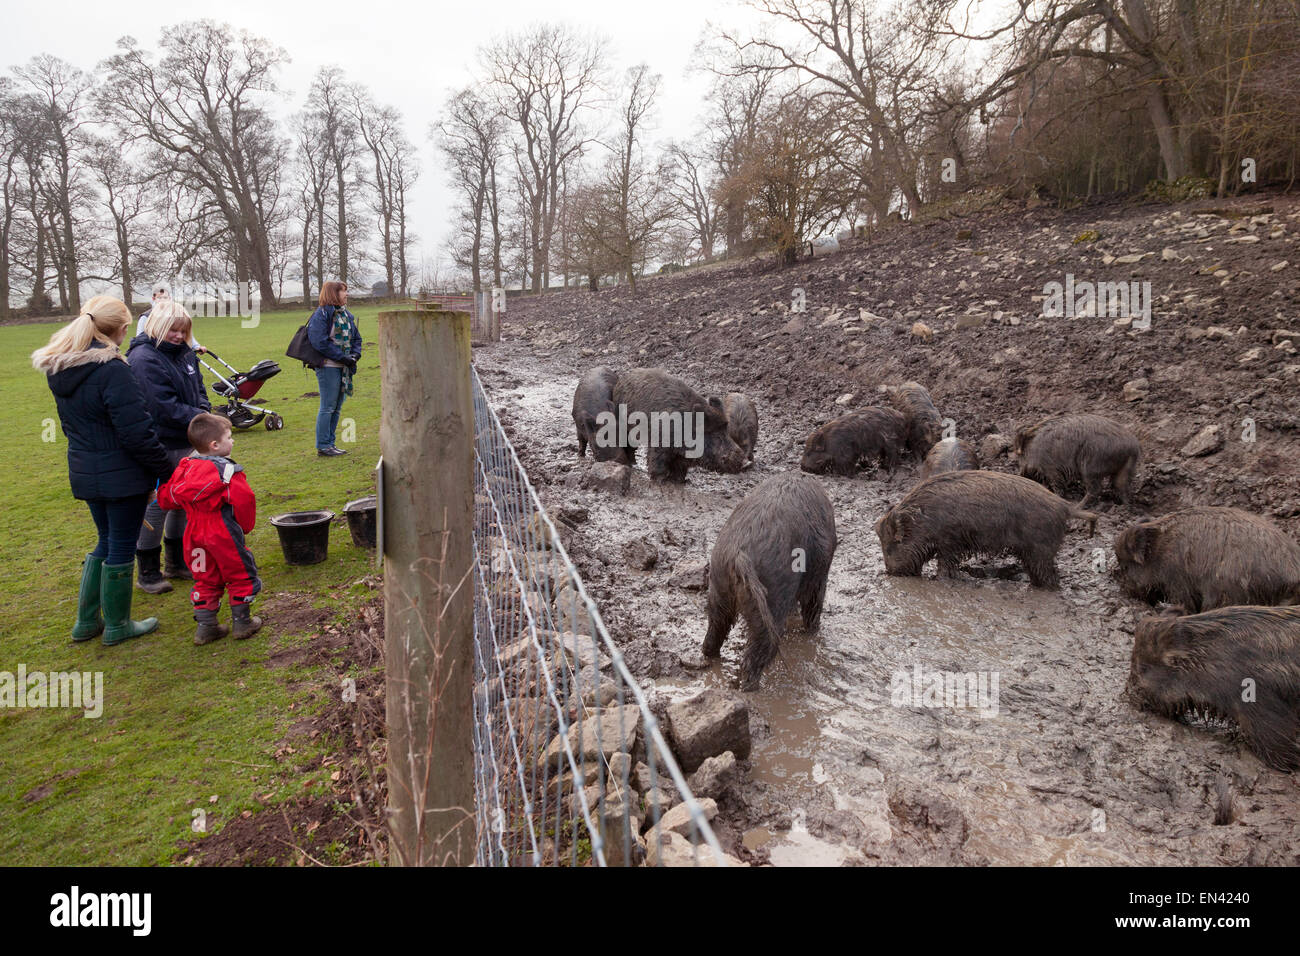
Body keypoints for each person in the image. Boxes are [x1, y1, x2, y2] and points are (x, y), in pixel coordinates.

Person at [31, 295, 175, 645]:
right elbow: (136, 432)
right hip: (122, 476)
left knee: (105, 540)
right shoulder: (112, 370)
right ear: (119, 330)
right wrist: (166, 469)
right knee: (122, 544)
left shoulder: (62, 369)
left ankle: (86, 622)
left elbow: (74, 426)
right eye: (126, 327)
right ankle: (117, 625)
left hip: (85, 469)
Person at [126, 300, 212, 593]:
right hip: (161, 441)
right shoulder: (143, 359)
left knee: (185, 502)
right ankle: (148, 571)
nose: (178, 336)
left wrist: (202, 411)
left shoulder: (186, 354)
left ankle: (177, 562)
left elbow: (199, 388)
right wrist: (200, 419)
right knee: (158, 504)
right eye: (173, 330)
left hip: (187, 438)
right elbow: (160, 405)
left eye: (183, 331)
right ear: (158, 327)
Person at [158, 413, 263, 644]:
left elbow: (167, 498)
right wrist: (244, 527)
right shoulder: (227, 472)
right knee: (239, 572)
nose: (232, 441)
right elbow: (244, 499)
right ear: (214, 445)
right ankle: (242, 622)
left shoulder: (184, 468)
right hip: (221, 530)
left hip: (193, 531)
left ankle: (206, 627)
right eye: (229, 437)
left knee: (204, 577)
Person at [306, 281, 362, 457]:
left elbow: (357, 339)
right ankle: (323, 445)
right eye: (343, 291)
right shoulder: (322, 314)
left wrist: (355, 355)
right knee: (328, 406)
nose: (346, 295)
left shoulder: (346, 315)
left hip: (344, 367)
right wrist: (342, 357)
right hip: (328, 366)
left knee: (337, 407)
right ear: (333, 293)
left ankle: (330, 443)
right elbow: (319, 342)